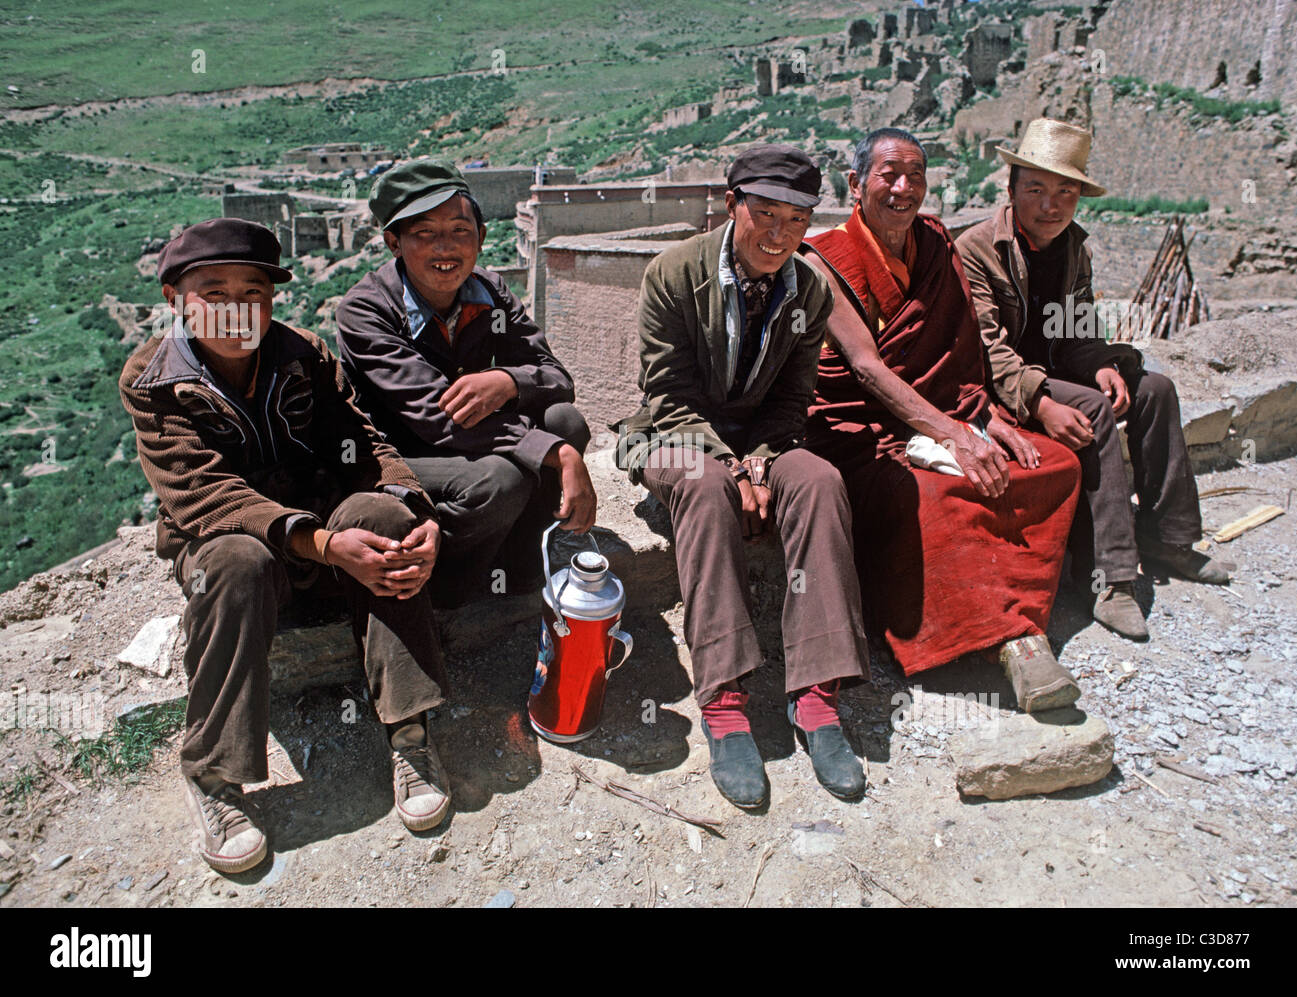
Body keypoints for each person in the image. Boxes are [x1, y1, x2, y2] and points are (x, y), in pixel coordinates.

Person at [120, 218, 451, 876]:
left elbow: (362, 444)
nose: (237, 307)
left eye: (254, 290)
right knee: (238, 562)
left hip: (320, 526)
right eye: (213, 291)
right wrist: (324, 542)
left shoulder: (302, 355)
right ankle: (213, 775)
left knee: (382, 514)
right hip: (235, 545)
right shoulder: (153, 380)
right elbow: (205, 494)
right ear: (173, 297)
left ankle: (410, 728)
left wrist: (417, 511)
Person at [614, 144, 870, 807]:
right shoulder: (673, 274)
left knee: (819, 481)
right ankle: (725, 702)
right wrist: (730, 467)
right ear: (733, 206)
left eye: (796, 220)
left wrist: (761, 458)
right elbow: (668, 394)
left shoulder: (809, 290)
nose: (780, 234)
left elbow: (792, 397)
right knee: (703, 488)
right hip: (675, 435)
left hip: (760, 438)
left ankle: (816, 696)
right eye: (765, 214)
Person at [802, 128, 1083, 713]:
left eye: (916, 175)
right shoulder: (823, 257)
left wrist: (986, 416)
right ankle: (1007, 638)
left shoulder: (934, 242)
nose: (904, 188)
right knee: (937, 498)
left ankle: (1008, 605)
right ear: (856, 185)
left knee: (1051, 464)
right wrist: (953, 434)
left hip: (942, 414)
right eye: (889, 174)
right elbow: (868, 372)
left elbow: (959, 351)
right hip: (861, 431)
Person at [957, 118, 1230, 642]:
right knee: (1093, 407)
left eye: (1065, 191)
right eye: (1035, 189)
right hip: (1002, 386)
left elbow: (1077, 330)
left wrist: (1102, 363)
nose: (1050, 205)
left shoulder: (1073, 249)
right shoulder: (976, 250)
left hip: (1057, 371)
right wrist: (1040, 403)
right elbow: (987, 349)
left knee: (1155, 390)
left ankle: (1167, 538)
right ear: (1011, 188)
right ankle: (1109, 577)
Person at [335, 159, 596, 603]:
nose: (445, 249)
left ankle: (518, 565)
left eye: (460, 231)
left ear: (481, 237)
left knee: (564, 419)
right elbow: (437, 416)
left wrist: (508, 379)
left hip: (473, 436)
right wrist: (556, 454)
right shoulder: (366, 311)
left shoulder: (489, 293)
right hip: (399, 454)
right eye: (424, 235)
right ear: (393, 243)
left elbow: (556, 378)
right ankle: (444, 587)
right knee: (499, 479)